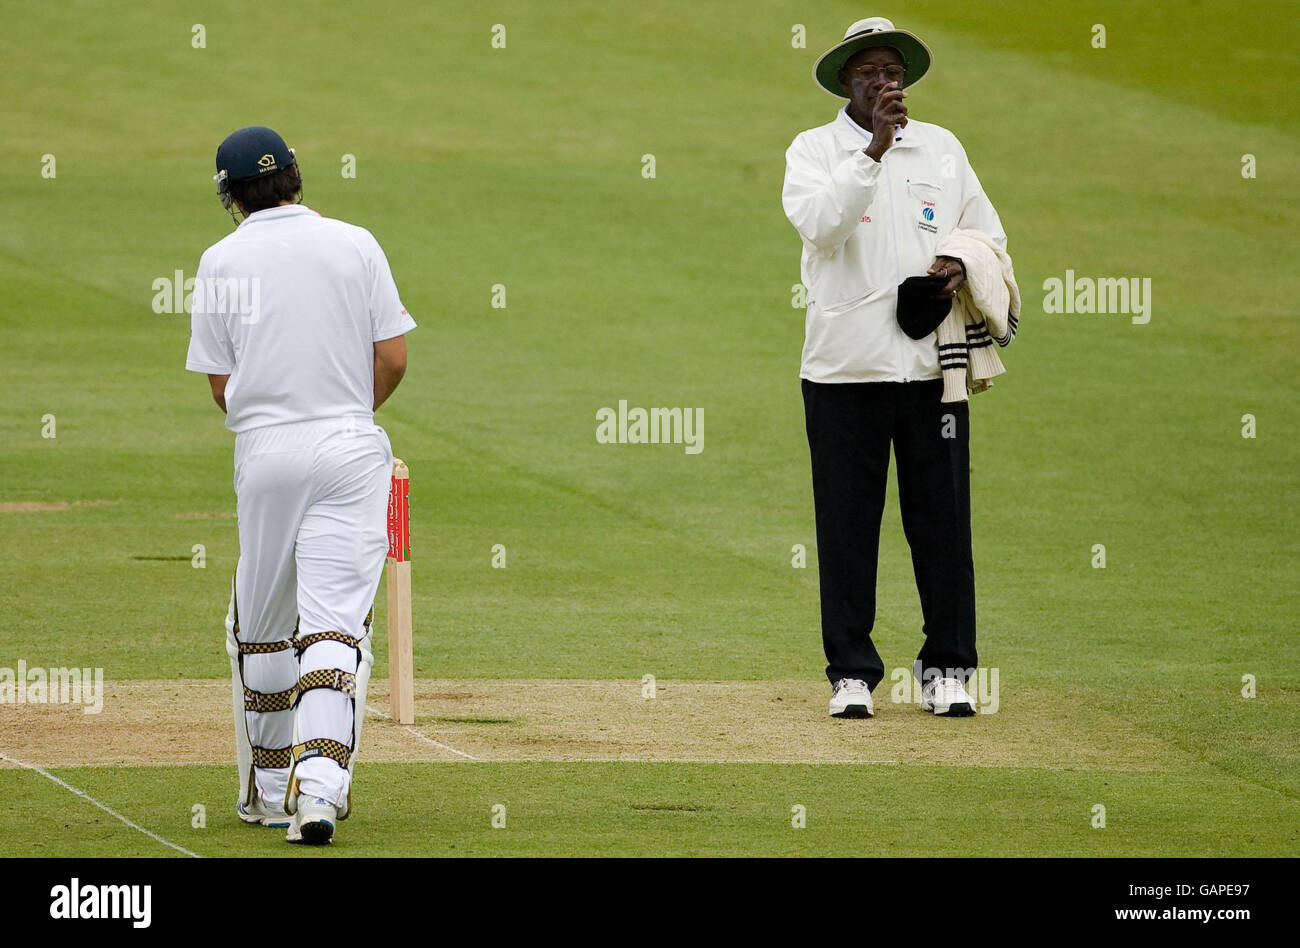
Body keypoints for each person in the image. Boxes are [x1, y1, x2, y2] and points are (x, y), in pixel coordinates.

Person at [185, 126, 416, 843]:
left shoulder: (220, 260)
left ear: (229, 195)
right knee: (334, 625)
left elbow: (223, 387)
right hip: (351, 446)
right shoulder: (356, 242)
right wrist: (343, 415)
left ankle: (266, 787)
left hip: (265, 454)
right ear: (294, 174)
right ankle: (318, 792)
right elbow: (394, 357)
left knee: (260, 628)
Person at [782, 18, 1013, 719]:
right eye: (870, 74)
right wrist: (873, 152)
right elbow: (822, 227)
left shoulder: (943, 149)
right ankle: (851, 672)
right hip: (844, 370)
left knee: (942, 523)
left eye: (893, 72)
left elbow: (986, 233)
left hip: (930, 370)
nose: (886, 83)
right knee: (849, 525)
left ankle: (947, 668)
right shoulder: (814, 150)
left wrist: (955, 264)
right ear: (847, 83)